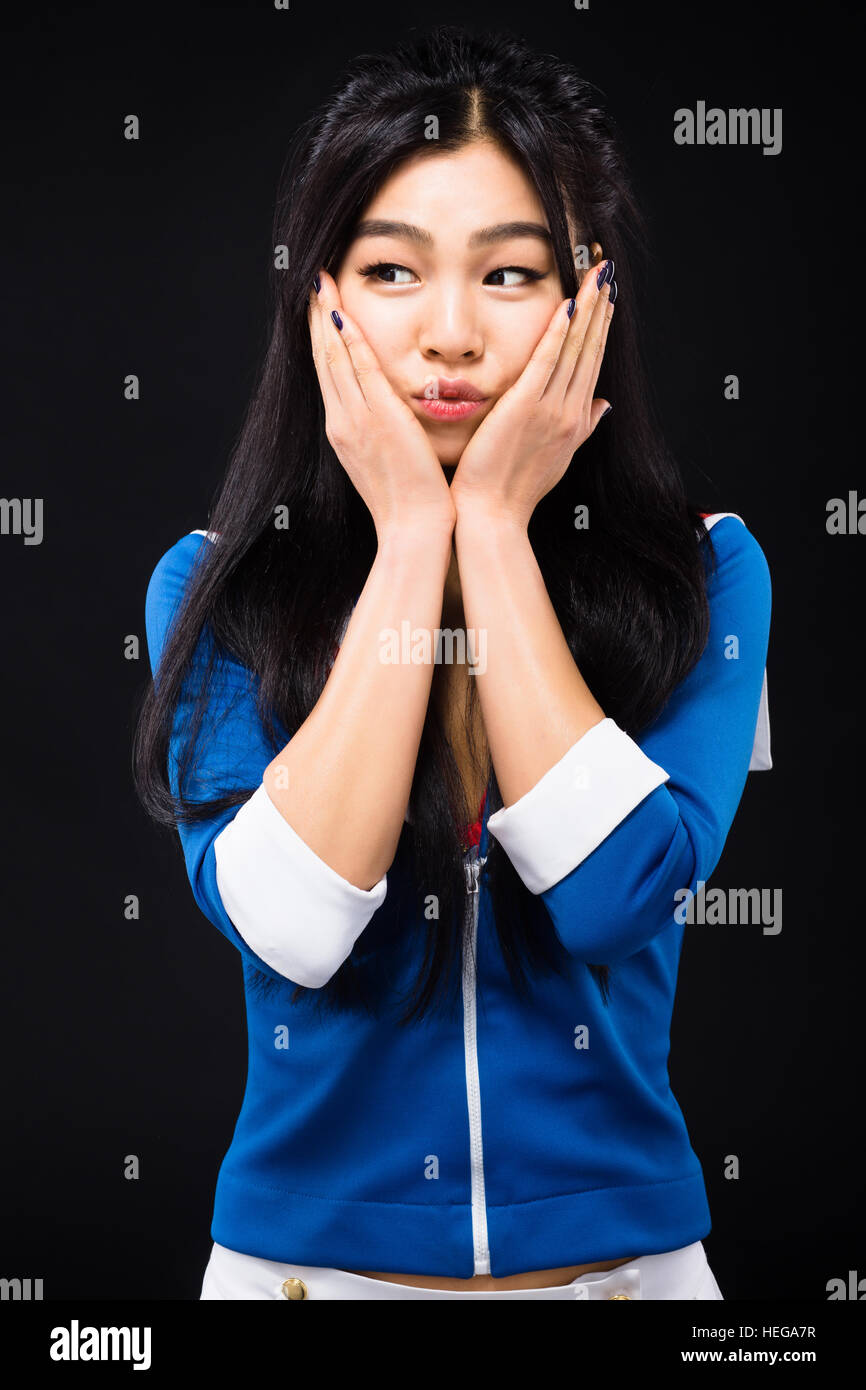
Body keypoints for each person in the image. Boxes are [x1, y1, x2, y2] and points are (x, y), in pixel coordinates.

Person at [134, 24, 772, 1300]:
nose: (449, 334)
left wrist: (489, 524)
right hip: (300, 1281)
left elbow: (616, 898)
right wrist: (414, 534)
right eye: (390, 270)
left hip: (628, 1278)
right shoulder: (213, 588)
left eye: (509, 273)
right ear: (319, 298)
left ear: (590, 298)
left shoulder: (708, 572)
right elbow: (293, 927)